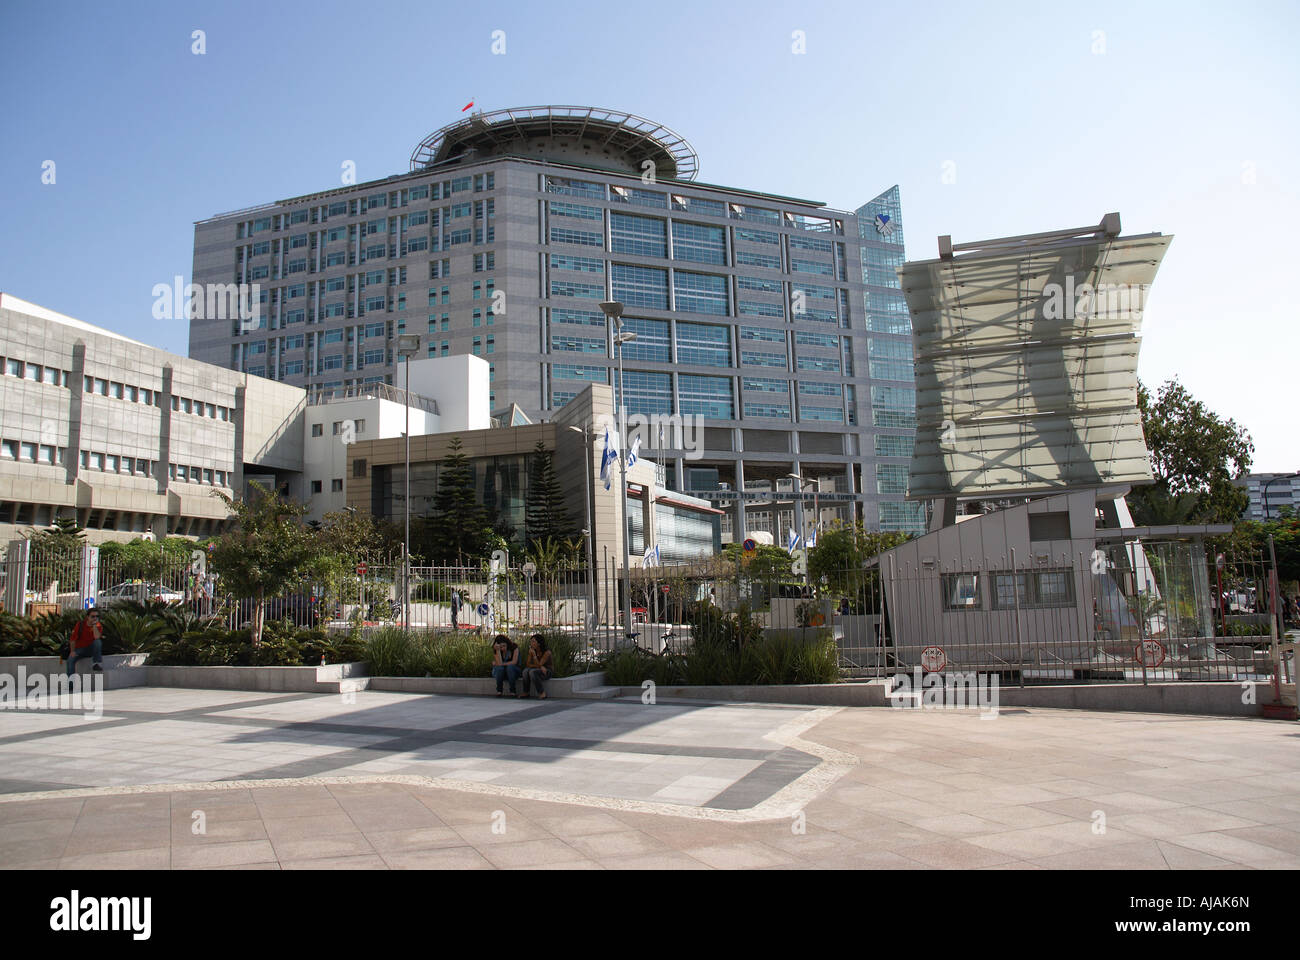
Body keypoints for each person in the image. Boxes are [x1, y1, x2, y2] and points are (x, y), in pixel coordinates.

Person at [67, 608, 104, 676]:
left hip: (90, 649)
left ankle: (96, 663)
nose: (95, 618)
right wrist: (72, 651)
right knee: (70, 660)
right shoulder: (80, 624)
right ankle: (71, 685)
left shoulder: (98, 625)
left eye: (97, 616)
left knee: (98, 642)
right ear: (88, 617)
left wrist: (94, 625)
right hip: (79, 649)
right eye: (92, 616)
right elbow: (73, 639)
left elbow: (96, 637)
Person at [520, 634, 553, 700]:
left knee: (532, 672)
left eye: (533, 641)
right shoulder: (532, 651)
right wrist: (540, 667)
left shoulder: (547, 652)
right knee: (525, 671)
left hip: (547, 671)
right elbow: (528, 664)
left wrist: (534, 656)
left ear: (539, 643)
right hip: (539, 669)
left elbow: (539, 664)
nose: (531, 643)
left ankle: (542, 692)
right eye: (531, 642)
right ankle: (526, 692)